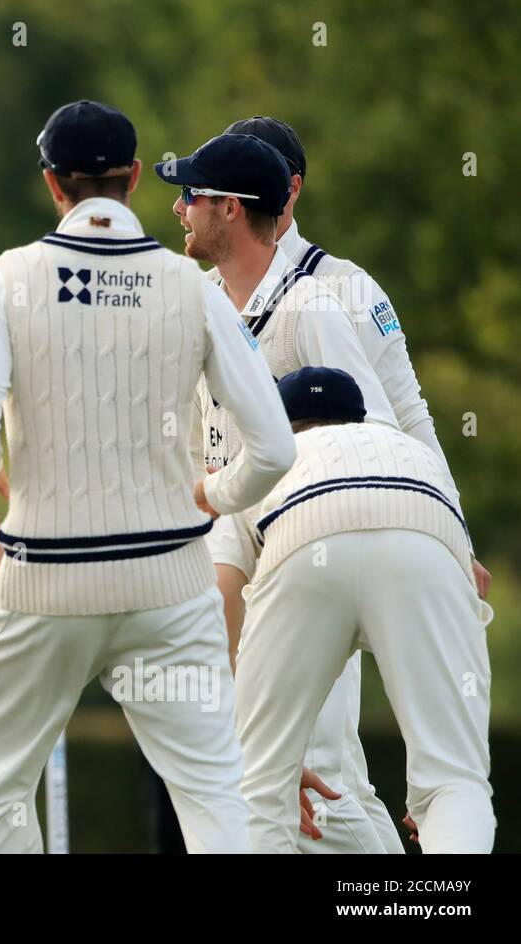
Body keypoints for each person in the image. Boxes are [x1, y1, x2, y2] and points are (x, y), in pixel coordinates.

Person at [0, 100, 296, 854]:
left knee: (1, 786)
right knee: (213, 793)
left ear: (51, 183)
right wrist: (213, 496)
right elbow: (273, 448)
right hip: (169, 582)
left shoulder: (6, 278)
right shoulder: (190, 285)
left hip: (45, 582)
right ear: (135, 176)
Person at [158, 132, 414, 853]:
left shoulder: (315, 306)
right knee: (258, 777)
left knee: (324, 781)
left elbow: (380, 443)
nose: (178, 209)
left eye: (191, 196)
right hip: (227, 573)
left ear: (232, 211)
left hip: (309, 570)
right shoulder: (202, 305)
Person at [231, 366, 493, 853]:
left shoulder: (265, 457)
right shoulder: (411, 453)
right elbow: (471, 580)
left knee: (256, 781)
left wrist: (256, 744)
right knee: (455, 783)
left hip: (304, 544)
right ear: (359, 419)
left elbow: (223, 588)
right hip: (424, 540)